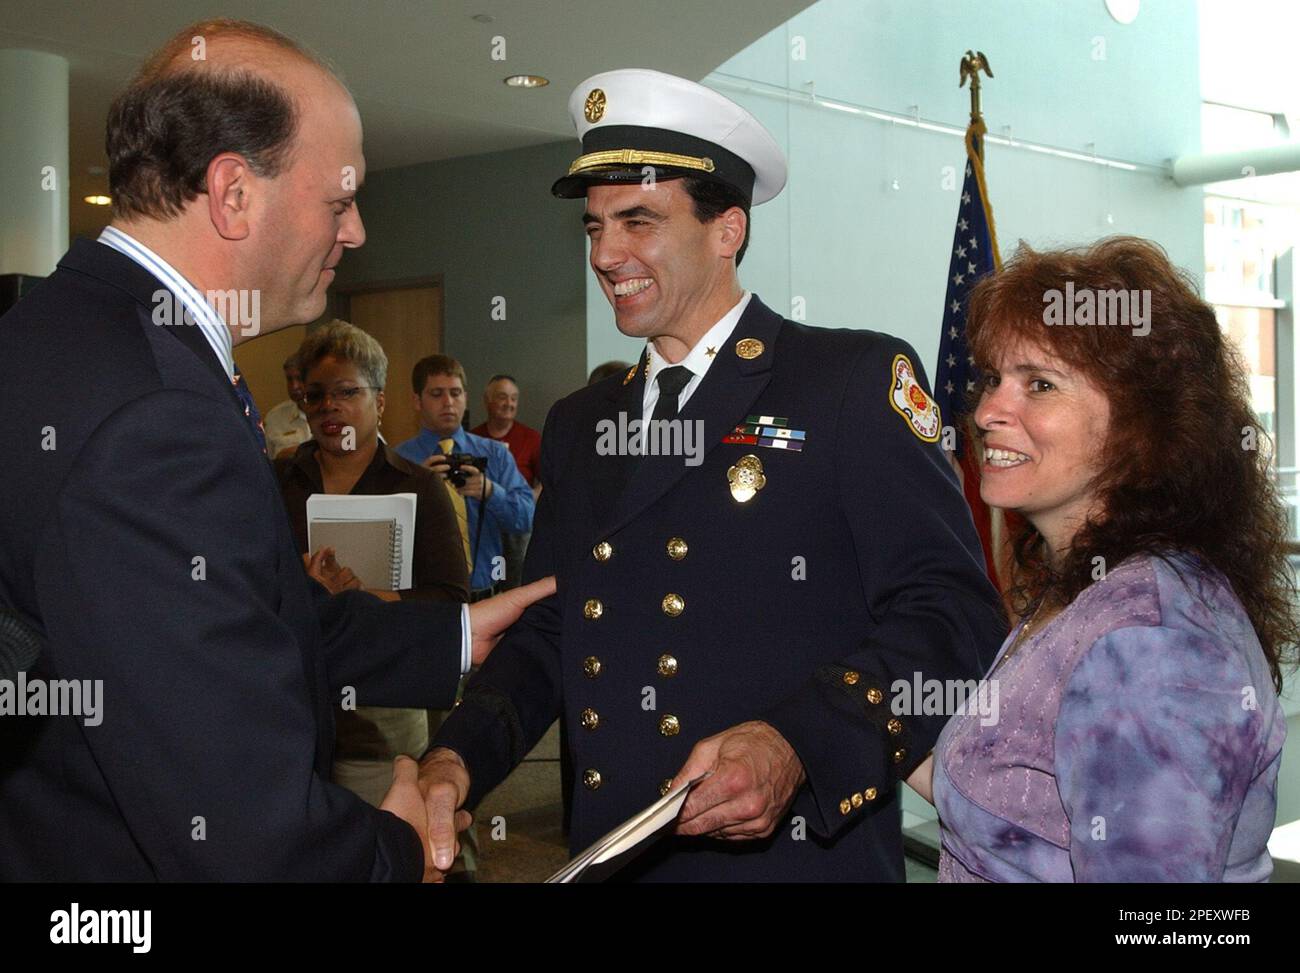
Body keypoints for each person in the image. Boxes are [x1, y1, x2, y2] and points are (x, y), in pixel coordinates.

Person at [416, 69, 1006, 881]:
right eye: (592, 228)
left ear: (727, 229)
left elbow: (952, 617)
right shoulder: (583, 424)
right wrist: (456, 757)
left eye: (638, 222)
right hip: (611, 858)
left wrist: (799, 741)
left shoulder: (846, 381)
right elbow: (550, 631)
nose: (604, 255)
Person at [0, 18, 551, 882]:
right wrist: (399, 849)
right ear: (232, 194)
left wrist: (449, 636)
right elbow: (240, 830)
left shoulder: (60, 332)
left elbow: (225, 614)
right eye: (339, 199)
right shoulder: (156, 413)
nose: (359, 230)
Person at [908, 237, 1295, 882]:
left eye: (1039, 384)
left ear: (1141, 430)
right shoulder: (1090, 590)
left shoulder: (1148, 641)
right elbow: (1013, 810)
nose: (985, 412)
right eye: (994, 379)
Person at [275, 321, 469, 807]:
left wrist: (360, 601)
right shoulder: (279, 479)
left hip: (385, 708)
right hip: (293, 700)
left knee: (392, 845)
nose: (328, 408)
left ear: (379, 402)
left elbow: (449, 601)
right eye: (315, 395)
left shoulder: (419, 487)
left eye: (346, 392)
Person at [396, 356, 536, 600]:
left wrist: (491, 492)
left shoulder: (495, 455)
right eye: (437, 394)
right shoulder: (399, 460)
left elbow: (527, 518)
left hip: (487, 597)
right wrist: (419, 490)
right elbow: (388, 537)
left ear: (466, 398)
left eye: (456, 393)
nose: (449, 402)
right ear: (417, 401)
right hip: (425, 603)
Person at [472, 374, 542, 589]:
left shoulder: (532, 438)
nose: (509, 404)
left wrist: (529, 499)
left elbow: (548, 479)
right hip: (481, 524)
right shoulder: (473, 439)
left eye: (513, 398)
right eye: (502, 397)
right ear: (487, 401)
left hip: (518, 529)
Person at [263, 351, 312, 459]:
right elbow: (268, 462)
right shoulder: (275, 418)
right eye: (289, 379)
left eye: (299, 379)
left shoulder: (332, 412)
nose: (294, 386)